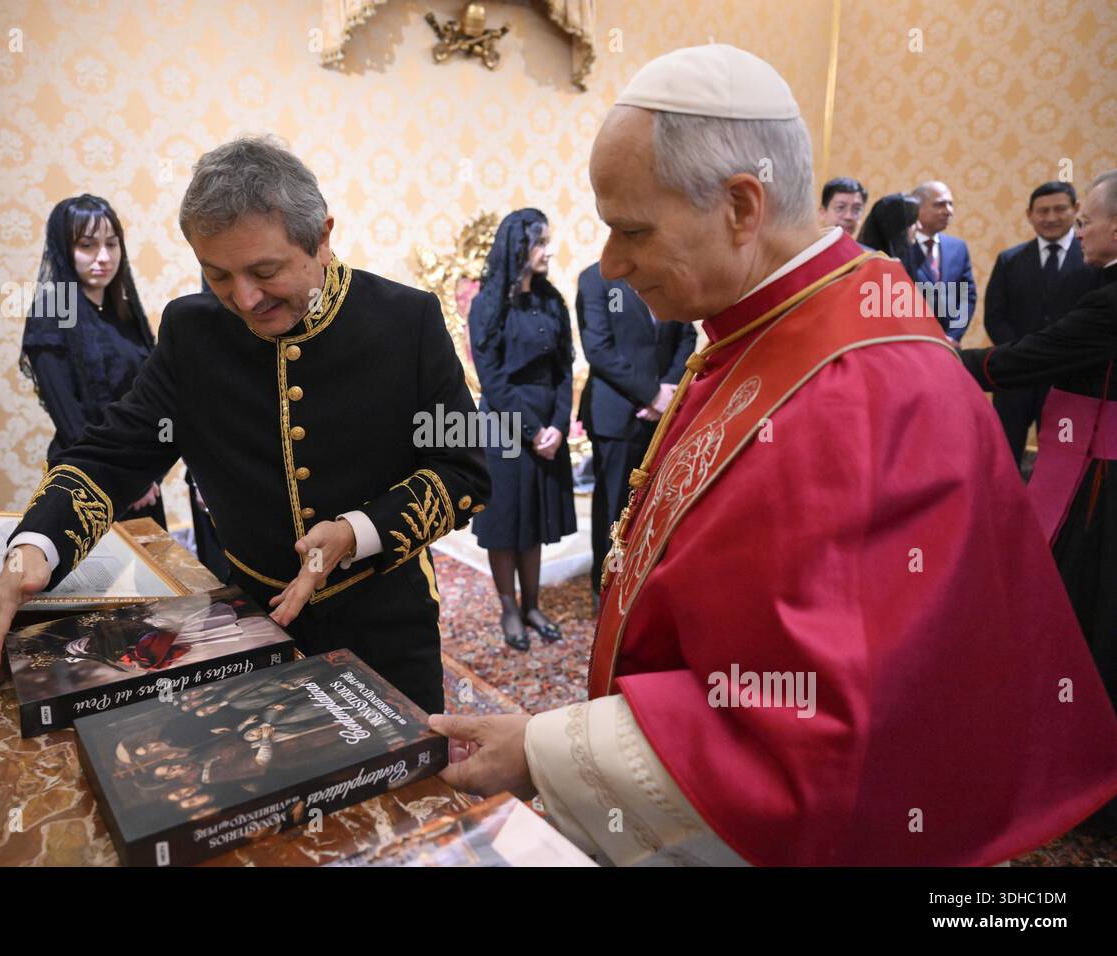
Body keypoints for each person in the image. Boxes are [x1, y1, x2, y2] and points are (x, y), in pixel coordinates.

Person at [428, 44, 1117, 866]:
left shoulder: (860, 383)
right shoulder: (776, 318)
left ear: (741, 206)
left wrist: (546, 751)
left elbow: (813, 732)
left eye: (632, 229)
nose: (610, 263)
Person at [0, 136, 490, 714]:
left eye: (265, 271)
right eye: (217, 274)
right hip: (245, 618)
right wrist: (36, 548)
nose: (244, 300)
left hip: (383, 622)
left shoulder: (406, 322)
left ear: (322, 237)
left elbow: (464, 471)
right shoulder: (192, 333)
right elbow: (111, 455)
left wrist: (356, 531)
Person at [960, 171, 1117, 832]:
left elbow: (1028, 358)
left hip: (1100, 493)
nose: (1079, 228)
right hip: (1088, 468)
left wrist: (929, 358)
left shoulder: (1110, 302)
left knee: (1086, 621)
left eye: (1088, 219)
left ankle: (1083, 782)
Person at [19, 195, 167, 526]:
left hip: (143, 479)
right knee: (95, 576)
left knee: (152, 574)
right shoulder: (51, 314)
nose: (103, 257)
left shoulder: (125, 314)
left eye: (111, 244)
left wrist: (149, 473)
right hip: (85, 479)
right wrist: (124, 481)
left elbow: (152, 398)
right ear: (63, 248)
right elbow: (70, 418)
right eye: (87, 245)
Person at [468, 209, 576, 652]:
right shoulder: (487, 303)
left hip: (547, 423)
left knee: (533, 521)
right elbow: (491, 380)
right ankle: (509, 608)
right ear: (519, 247)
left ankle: (532, 605)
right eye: (541, 242)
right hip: (505, 425)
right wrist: (533, 431)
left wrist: (559, 424)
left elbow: (565, 368)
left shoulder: (553, 300)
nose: (549, 250)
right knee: (505, 524)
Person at [575, 264, 694, 604]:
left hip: (664, 412)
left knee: (655, 504)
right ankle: (606, 585)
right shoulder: (596, 279)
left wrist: (669, 389)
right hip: (616, 413)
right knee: (613, 505)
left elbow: (686, 334)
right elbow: (598, 348)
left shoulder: (672, 269)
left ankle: (643, 581)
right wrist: (651, 394)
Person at [983, 181, 1102, 466]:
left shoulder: (1092, 258)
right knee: (1004, 459)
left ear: (1075, 210)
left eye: (1059, 209)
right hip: (1015, 378)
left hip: (1069, 378)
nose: (1050, 218)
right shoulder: (1010, 259)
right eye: (1042, 211)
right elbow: (995, 316)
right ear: (1029, 214)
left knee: (1064, 459)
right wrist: (1022, 356)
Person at [910, 180, 977, 343]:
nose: (948, 211)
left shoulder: (957, 248)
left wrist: (953, 335)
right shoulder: (900, 249)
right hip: (912, 342)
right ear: (917, 208)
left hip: (948, 344)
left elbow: (967, 296)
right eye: (940, 205)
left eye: (950, 204)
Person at [856, 192, 921, 268]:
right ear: (896, 227)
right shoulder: (867, 266)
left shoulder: (913, 258)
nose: (919, 226)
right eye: (912, 222)